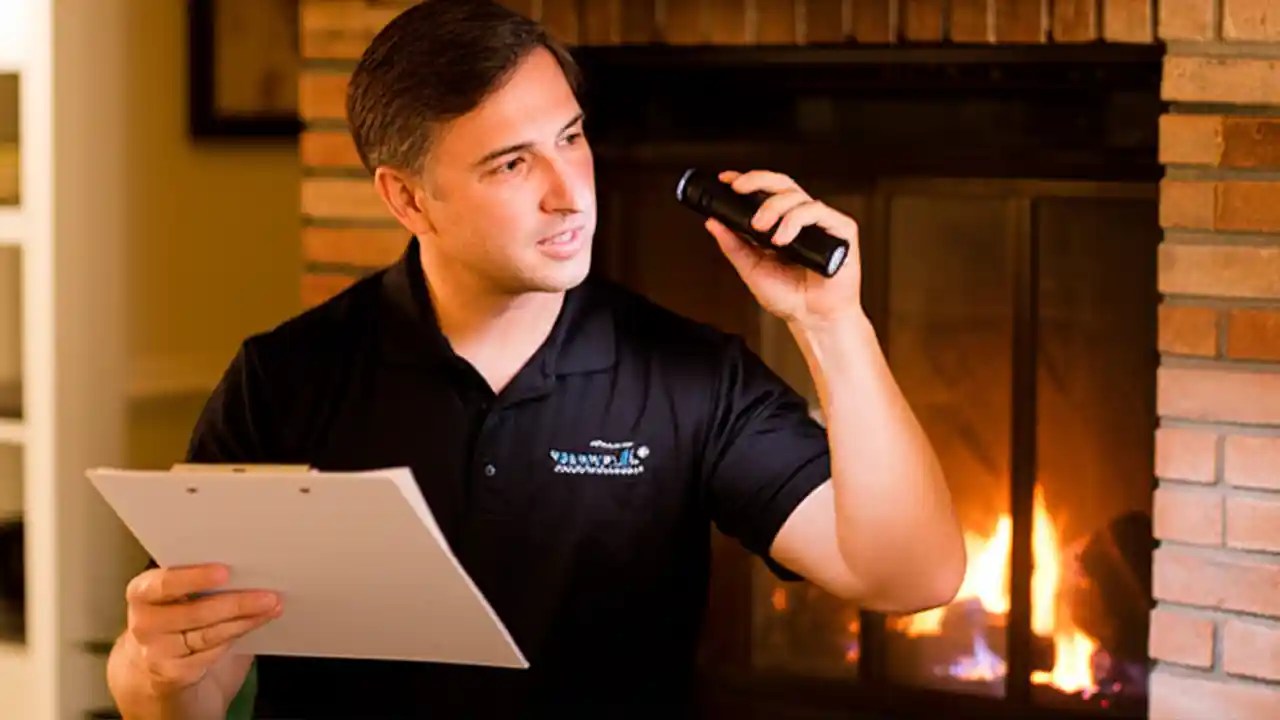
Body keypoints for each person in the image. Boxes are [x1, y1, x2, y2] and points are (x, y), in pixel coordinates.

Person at [105, 1, 965, 717]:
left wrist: (831, 325)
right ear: (408, 198)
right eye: (512, 163)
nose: (570, 193)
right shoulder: (288, 378)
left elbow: (912, 577)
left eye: (572, 137)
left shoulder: (691, 375)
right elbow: (189, 677)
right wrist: (153, 672)